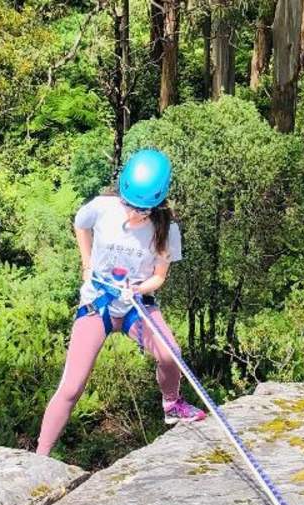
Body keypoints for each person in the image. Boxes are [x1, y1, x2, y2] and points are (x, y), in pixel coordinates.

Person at [36, 148, 206, 457]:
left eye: (142, 209)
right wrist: (87, 265)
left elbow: (160, 276)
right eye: (129, 204)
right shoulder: (103, 208)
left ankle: (172, 404)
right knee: (72, 387)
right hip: (97, 304)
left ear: (157, 203)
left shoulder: (166, 230)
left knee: (171, 356)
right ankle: (40, 455)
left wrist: (140, 289)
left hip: (134, 306)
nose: (132, 213)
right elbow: (79, 223)